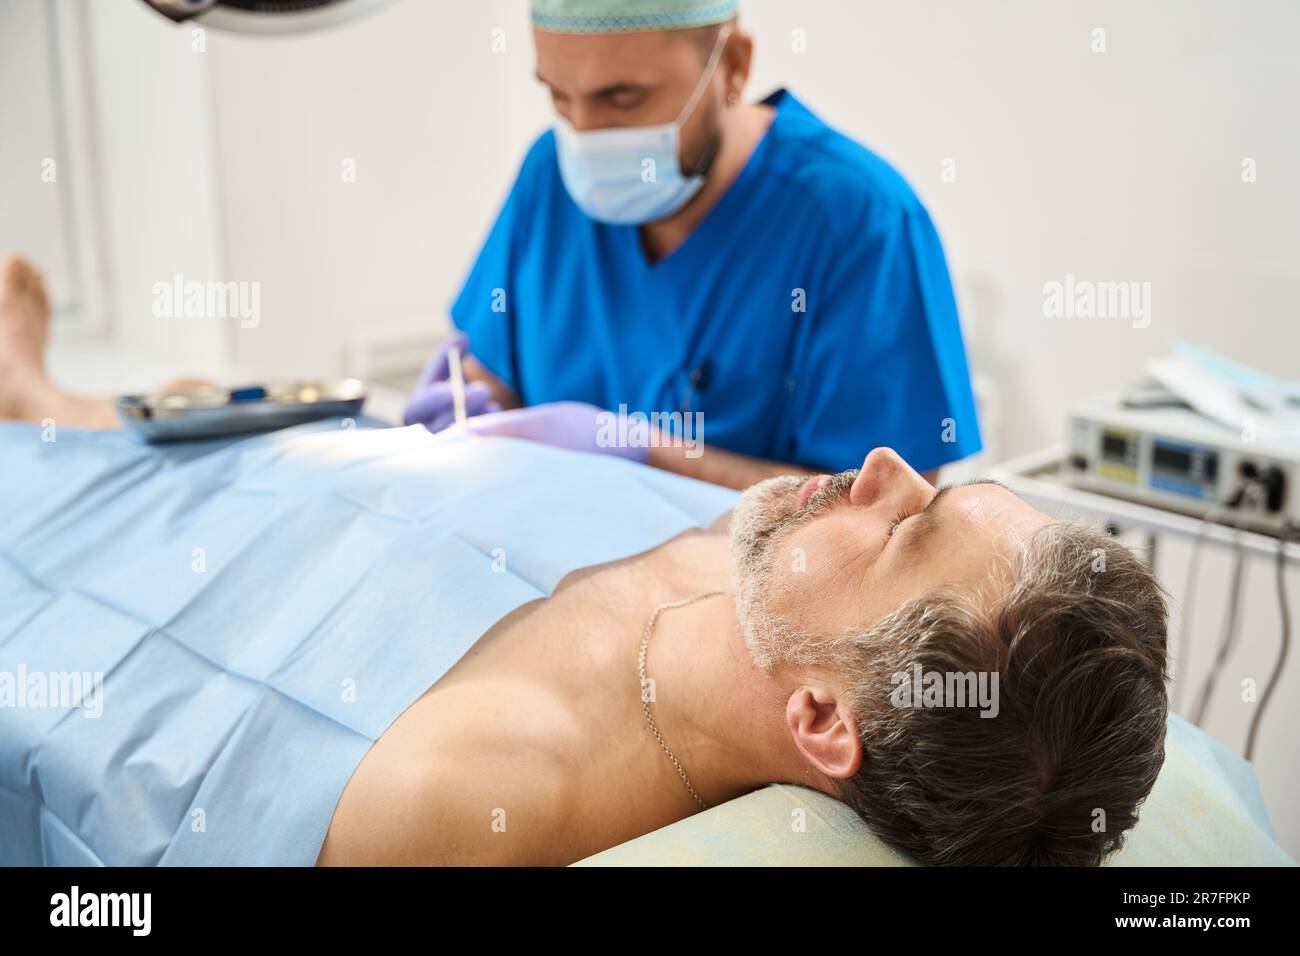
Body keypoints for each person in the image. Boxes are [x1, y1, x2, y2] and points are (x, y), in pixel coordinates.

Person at [0, 255, 1169, 866]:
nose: (879, 465)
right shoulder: (775, 584)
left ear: (823, 720)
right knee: (204, 416)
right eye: (938, 486)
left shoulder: (473, 792)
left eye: (907, 527)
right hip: (317, 473)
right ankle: (51, 398)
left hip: (112, 566)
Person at [403, 0, 983, 490]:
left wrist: (640, 453)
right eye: (559, 96)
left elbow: (890, 519)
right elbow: (491, 373)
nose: (584, 134)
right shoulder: (546, 179)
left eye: (623, 99)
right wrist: (472, 411)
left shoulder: (860, 221)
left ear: (732, 66)